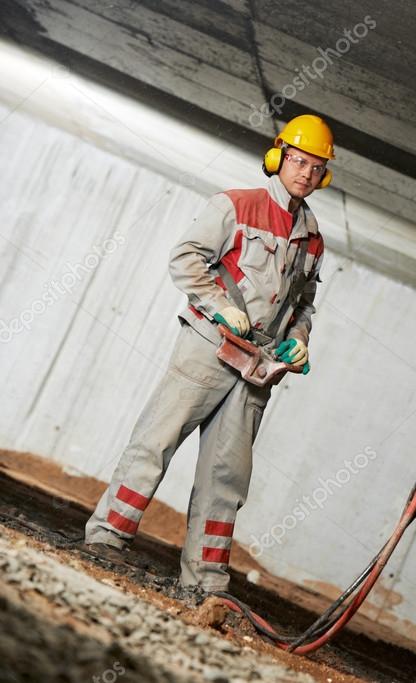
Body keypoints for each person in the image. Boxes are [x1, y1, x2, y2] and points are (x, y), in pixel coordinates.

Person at [83, 114, 333, 595]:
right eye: (298, 160)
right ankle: (107, 538)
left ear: (324, 176)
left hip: (257, 368)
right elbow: (185, 258)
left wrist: (300, 339)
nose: (304, 172)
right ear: (278, 157)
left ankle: (205, 582)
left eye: (315, 166)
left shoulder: (315, 238)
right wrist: (220, 306)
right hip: (207, 348)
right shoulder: (235, 206)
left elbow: (304, 304)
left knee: (227, 478)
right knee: (156, 442)